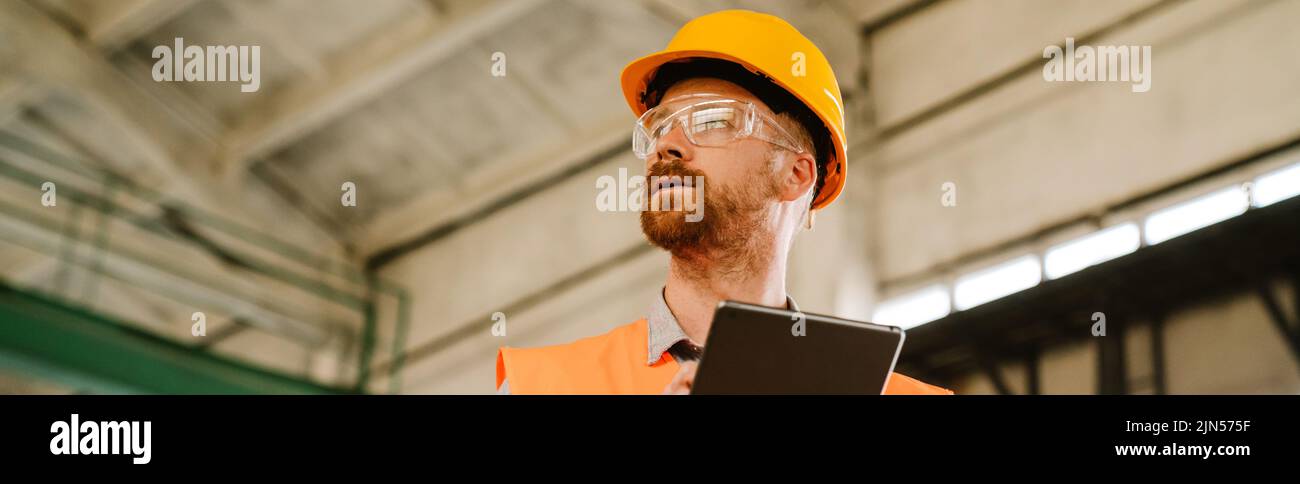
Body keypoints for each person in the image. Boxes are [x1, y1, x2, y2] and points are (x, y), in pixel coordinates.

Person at [497, 10, 952, 395]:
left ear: (796, 175)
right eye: (659, 127)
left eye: (712, 119)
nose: (666, 146)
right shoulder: (539, 385)